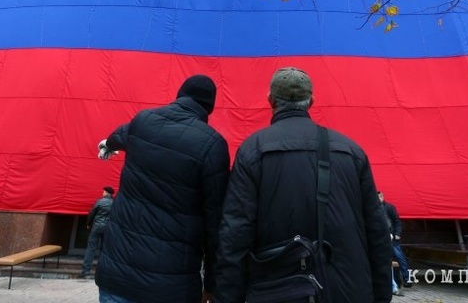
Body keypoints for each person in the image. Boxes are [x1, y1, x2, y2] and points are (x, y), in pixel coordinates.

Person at [215, 67, 393, 303]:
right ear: (311, 101)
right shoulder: (351, 151)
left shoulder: (253, 150)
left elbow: (235, 233)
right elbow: (377, 229)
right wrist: (381, 293)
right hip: (349, 289)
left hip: (279, 289)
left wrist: (227, 296)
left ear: (270, 100)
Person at [95, 74, 230, 303]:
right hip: (172, 286)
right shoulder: (212, 145)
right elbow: (215, 224)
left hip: (116, 278)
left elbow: (118, 135)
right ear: (209, 108)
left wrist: (108, 145)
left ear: (179, 95)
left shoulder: (144, 121)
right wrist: (211, 284)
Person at [378, 191, 412, 289]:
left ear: (383, 197)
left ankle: (407, 278)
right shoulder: (373, 208)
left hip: (392, 237)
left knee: (399, 257)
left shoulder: (389, 207)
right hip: (381, 238)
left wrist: (397, 233)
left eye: (380, 196)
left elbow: (397, 221)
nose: (379, 198)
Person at [81, 186, 114, 278]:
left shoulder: (100, 201)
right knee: (105, 250)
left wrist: (88, 223)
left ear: (107, 193)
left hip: (96, 227)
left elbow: (92, 213)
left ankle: (85, 271)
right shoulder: (114, 203)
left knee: (91, 248)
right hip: (108, 228)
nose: (102, 193)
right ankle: (103, 271)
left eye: (103, 192)